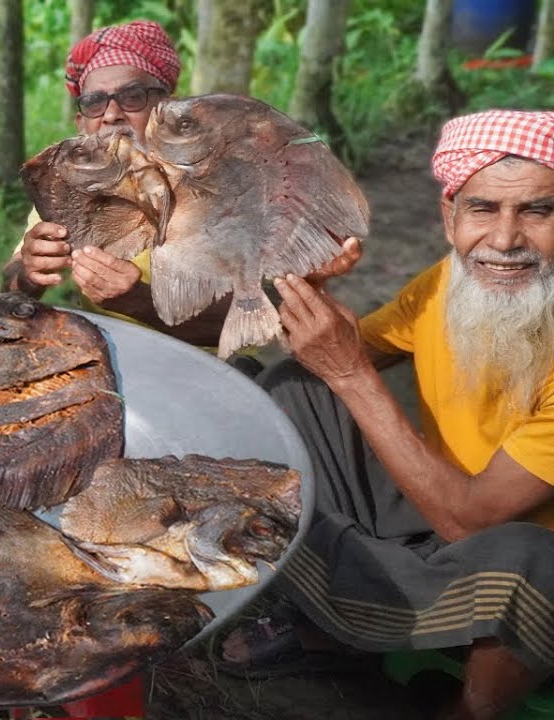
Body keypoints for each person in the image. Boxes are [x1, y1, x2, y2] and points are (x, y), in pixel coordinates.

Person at [220, 110, 554, 720]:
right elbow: (339, 349)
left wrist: (351, 373)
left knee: (537, 561)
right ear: (449, 217)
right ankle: (334, 623)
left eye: (538, 212)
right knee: (294, 388)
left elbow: (472, 520)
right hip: (438, 511)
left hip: (508, 551)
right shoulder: (449, 281)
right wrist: (310, 285)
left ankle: (470, 709)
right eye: (483, 209)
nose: (506, 240)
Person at [2, 21, 360, 360]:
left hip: (215, 373)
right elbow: (10, 289)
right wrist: (29, 274)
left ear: (167, 107)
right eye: (95, 102)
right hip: (110, 364)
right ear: (82, 123)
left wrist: (136, 301)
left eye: (132, 96)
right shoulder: (73, 192)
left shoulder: (229, 185)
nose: (111, 114)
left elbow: (270, 314)